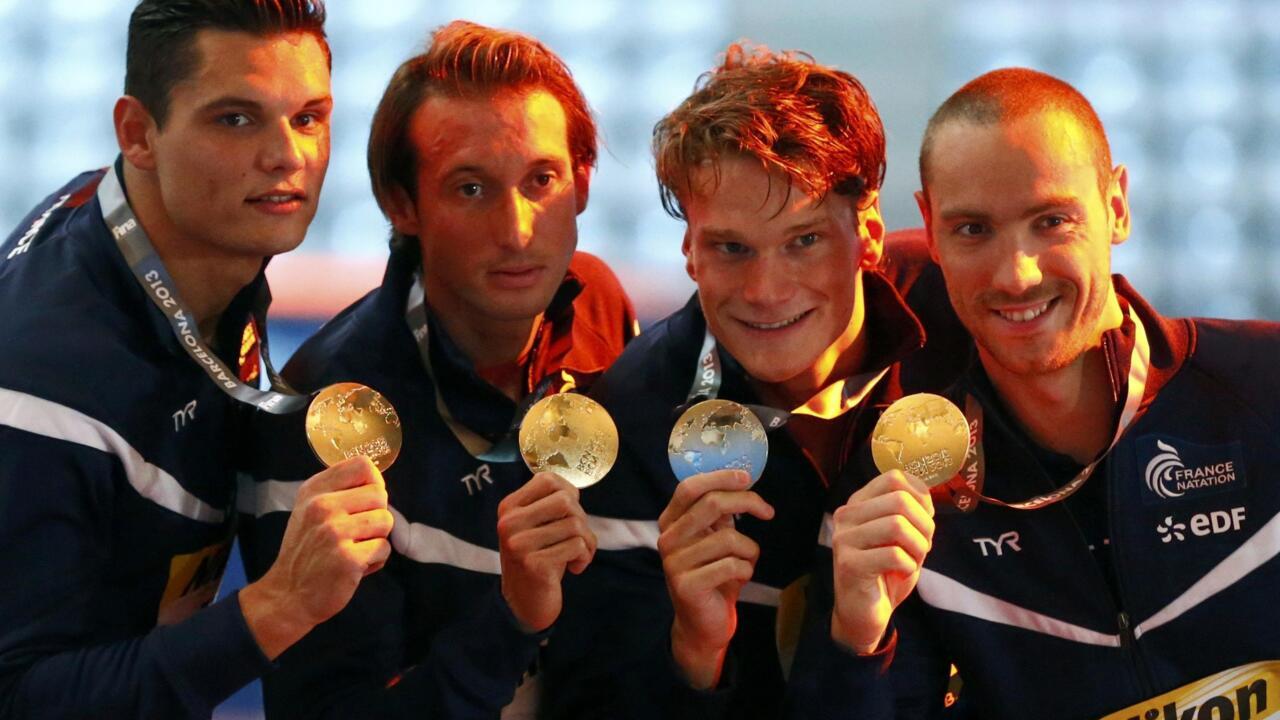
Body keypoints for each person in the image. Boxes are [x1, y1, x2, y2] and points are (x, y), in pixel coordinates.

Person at [816, 67, 1280, 719]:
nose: (1017, 275)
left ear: (1116, 205)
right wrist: (858, 643)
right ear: (929, 224)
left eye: (1051, 220)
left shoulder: (1263, 388)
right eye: (973, 229)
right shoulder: (895, 486)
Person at [540, 44, 965, 719]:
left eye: (804, 241)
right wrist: (693, 653)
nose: (766, 291)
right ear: (690, 252)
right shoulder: (628, 425)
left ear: (870, 235)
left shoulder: (966, 318)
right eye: (732, 248)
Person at [0, 2, 395, 718]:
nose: (288, 157)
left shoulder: (195, 234)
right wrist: (276, 607)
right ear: (137, 133)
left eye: (308, 117)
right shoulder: (40, 391)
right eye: (235, 119)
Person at [236, 20, 638, 719]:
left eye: (541, 180)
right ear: (402, 205)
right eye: (471, 189)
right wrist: (512, 620)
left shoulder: (601, 313)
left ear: (581, 183)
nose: (517, 230)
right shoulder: (323, 417)